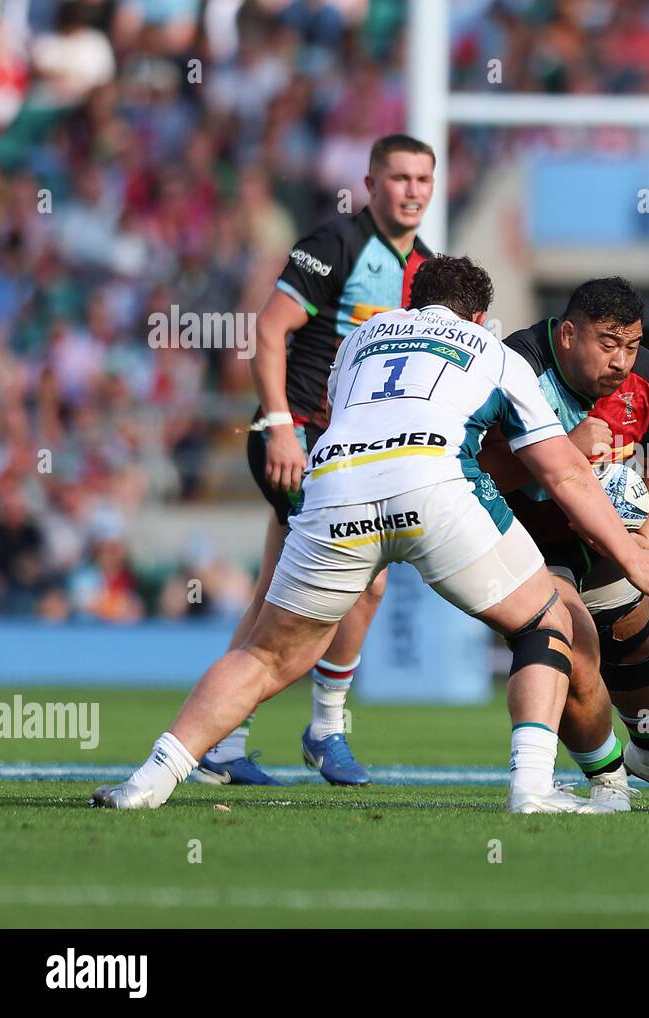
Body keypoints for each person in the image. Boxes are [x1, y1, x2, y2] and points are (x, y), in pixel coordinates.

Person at [91, 255, 649, 814]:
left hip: (335, 485)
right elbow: (561, 470)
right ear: (480, 318)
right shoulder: (497, 352)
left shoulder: (359, 339)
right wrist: (634, 559)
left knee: (267, 656)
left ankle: (150, 778)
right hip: (435, 486)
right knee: (546, 621)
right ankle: (531, 787)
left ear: (410, 300)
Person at [199, 134, 435, 788]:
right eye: (399, 178)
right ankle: (326, 728)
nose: (412, 191)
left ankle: (223, 742)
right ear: (370, 183)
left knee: (277, 594)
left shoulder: (429, 271)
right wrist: (278, 427)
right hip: (299, 441)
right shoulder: (334, 244)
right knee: (367, 578)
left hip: (356, 456)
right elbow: (270, 331)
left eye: (423, 179)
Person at [478, 278, 649, 809]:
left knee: (634, 637)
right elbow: (474, 472)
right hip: (525, 535)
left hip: (603, 532)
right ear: (568, 334)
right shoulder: (514, 366)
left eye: (631, 345)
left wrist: (643, 540)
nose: (622, 360)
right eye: (608, 344)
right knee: (572, 645)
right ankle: (607, 778)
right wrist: (566, 449)